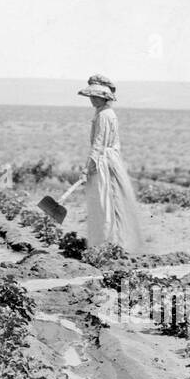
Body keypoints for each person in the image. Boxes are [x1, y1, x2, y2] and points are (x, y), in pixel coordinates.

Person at [59, 74, 144, 253]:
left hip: (103, 163)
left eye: (94, 96)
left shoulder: (105, 115)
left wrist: (87, 167)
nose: (91, 99)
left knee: (105, 203)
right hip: (107, 160)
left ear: (103, 97)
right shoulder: (104, 113)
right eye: (91, 96)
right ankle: (108, 243)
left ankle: (107, 244)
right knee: (106, 203)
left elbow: (99, 144)